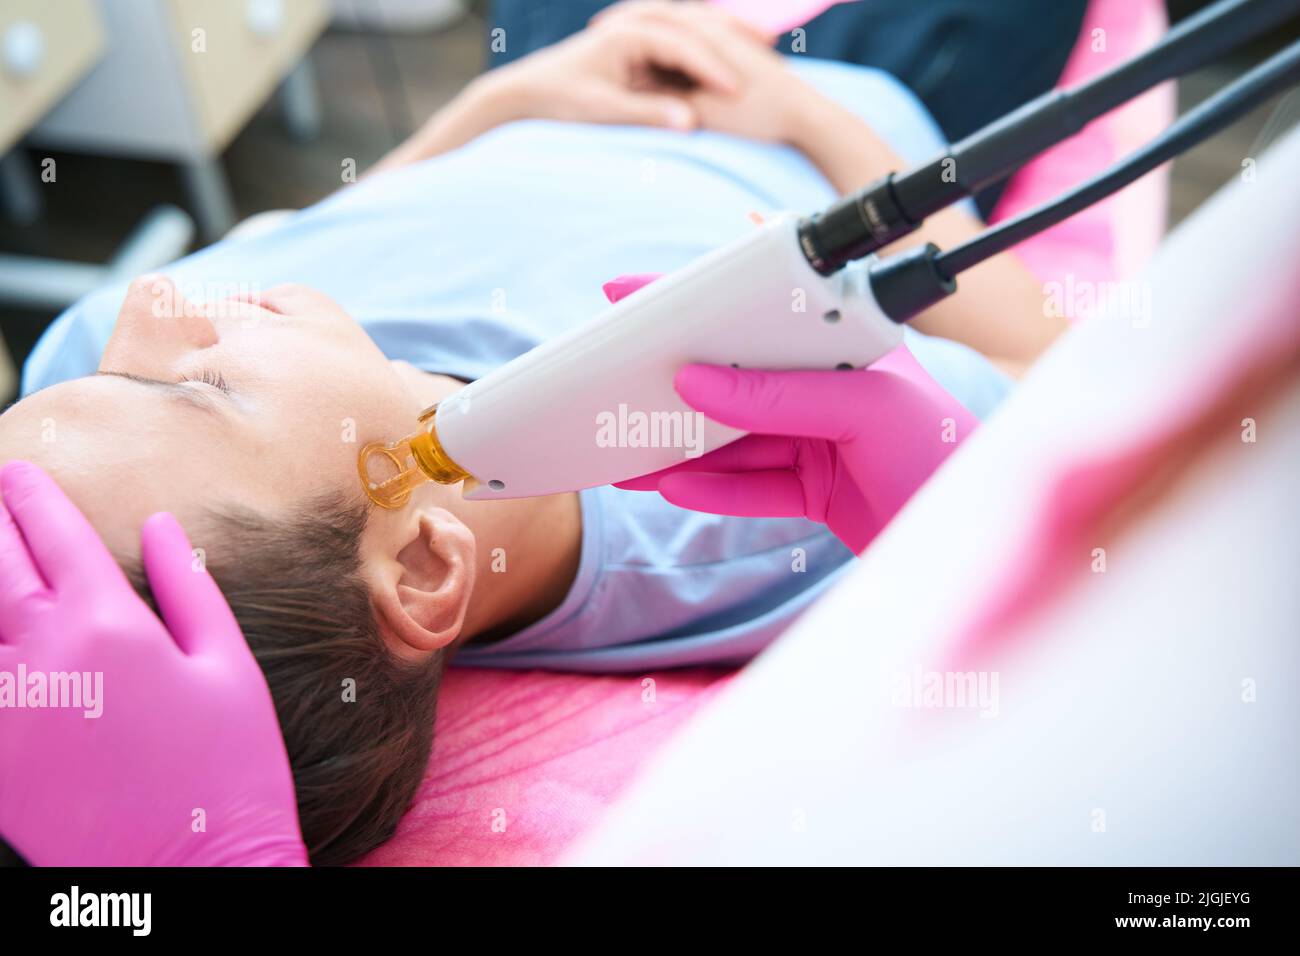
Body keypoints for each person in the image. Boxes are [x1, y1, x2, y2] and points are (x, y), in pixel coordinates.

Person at [1, 3, 1055, 864]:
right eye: (201, 390)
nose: (150, 301)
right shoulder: (723, 504)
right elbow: (1032, 362)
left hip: (574, 65)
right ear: (420, 565)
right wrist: (802, 115)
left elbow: (337, 229)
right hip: (835, 93)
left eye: (106, 371)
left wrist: (508, 97)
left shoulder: (84, 357)